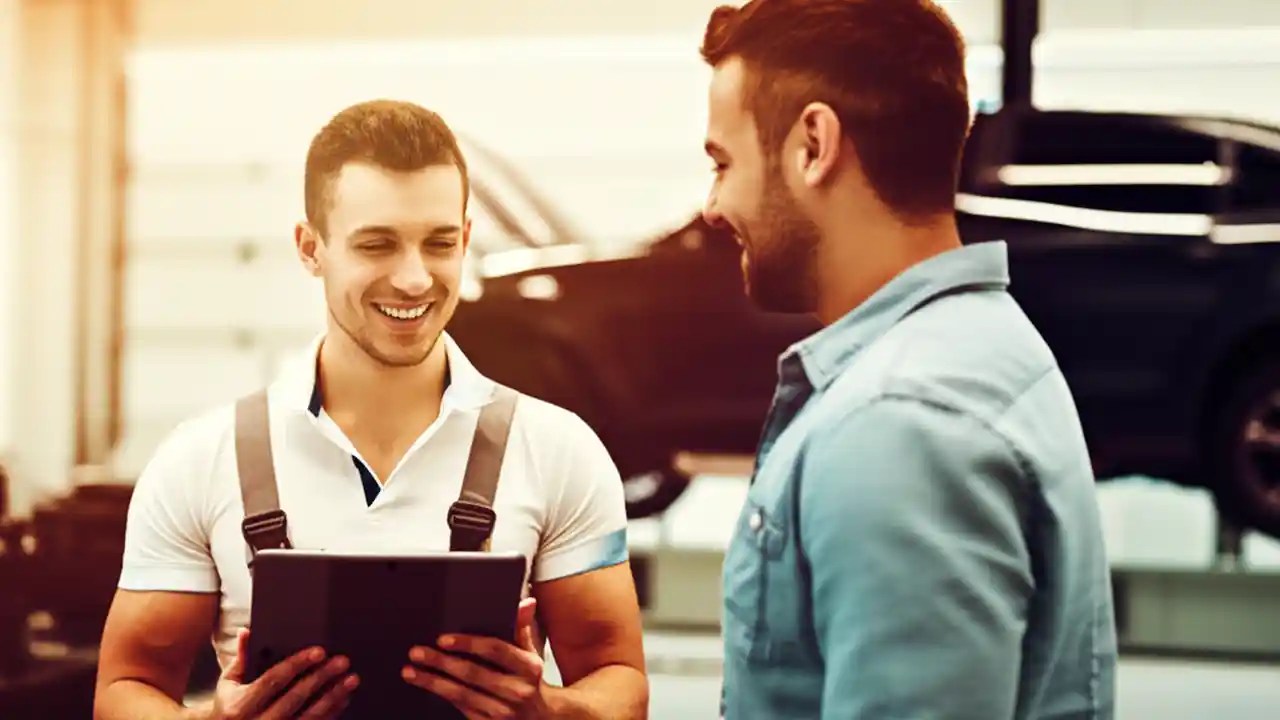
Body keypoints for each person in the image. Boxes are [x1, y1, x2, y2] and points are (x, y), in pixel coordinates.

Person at [93, 99, 648, 719]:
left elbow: (617, 678)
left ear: (466, 240)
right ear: (310, 248)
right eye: (377, 245)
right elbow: (124, 690)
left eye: (438, 243)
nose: (413, 279)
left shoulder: (558, 451)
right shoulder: (200, 460)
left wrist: (549, 713)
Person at [698, 1, 1117, 718]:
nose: (711, 206)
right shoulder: (978, 347)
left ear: (813, 145)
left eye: (722, 162)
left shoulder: (898, 425)